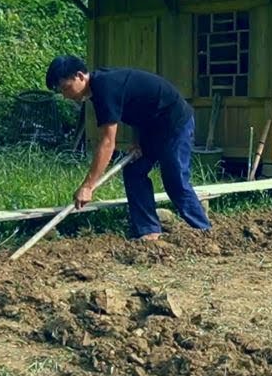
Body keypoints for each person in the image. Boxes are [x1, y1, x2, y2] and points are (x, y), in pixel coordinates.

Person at [46, 55, 211, 241]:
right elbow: (137, 107)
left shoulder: (104, 88)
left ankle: (204, 232)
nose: (66, 95)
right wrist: (138, 140)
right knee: (134, 170)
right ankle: (149, 230)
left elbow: (107, 143)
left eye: (66, 88)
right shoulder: (98, 90)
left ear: (80, 76)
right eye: (61, 91)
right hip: (152, 127)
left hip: (175, 123)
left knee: (175, 179)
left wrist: (88, 186)